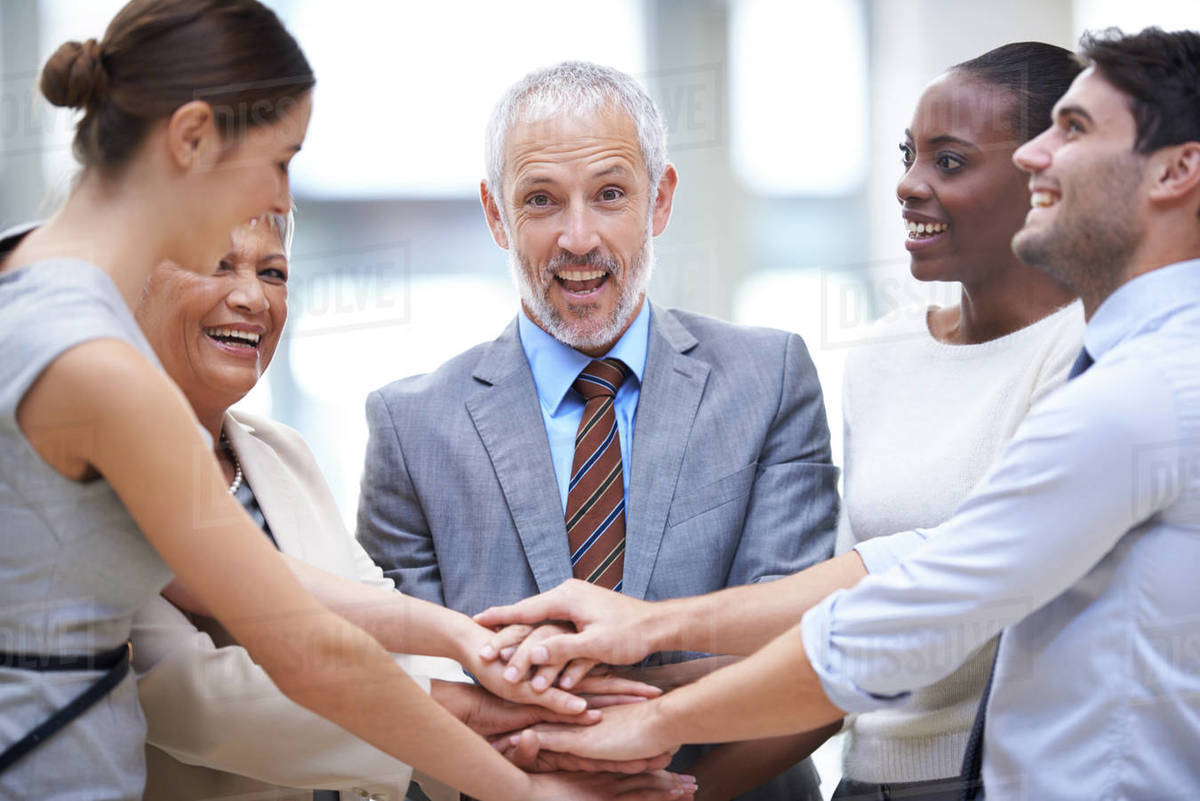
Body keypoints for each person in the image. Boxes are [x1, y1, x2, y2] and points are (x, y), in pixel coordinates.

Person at [476, 27, 1200, 800]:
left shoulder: (1142, 389)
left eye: (1075, 129)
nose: (1038, 155)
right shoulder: (1129, 369)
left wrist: (653, 706)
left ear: (1177, 169)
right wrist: (648, 668)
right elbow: (897, 574)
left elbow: (919, 604)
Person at [0, 3, 694, 800]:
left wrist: (461, 637)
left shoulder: (23, 287)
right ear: (190, 139)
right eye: (280, 159)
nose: (278, 195)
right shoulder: (101, 366)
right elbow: (308, 651)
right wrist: (526, 793)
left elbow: (259, 577)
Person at [356, 61, 839, 801]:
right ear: (495, 215)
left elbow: (795, 642)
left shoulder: (768, 379)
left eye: (610, 194)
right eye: (541, 200)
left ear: (660, 199)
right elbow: (409, 684)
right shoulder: (410, 426)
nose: (578, 238)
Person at [130, 216, 662, 801]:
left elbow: (373, 610)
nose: (253, 297)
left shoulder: (280, 452)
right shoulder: (99, 460)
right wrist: (481, 729)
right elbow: (192, 697)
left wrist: (498, 686)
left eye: (273, 273)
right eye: (217, 265)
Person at [831, 43, 1084, 801]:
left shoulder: (1087, 352)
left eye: (948, 161)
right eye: (909, 155)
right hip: (860, 780)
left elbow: (957, 584)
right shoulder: (877, 355)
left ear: (1045, 178)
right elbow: (838, 616)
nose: (908, 184)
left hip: (996, 781)